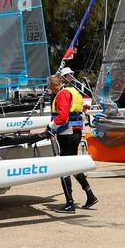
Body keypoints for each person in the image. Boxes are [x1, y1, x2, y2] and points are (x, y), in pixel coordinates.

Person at [47, 74, 97, 213]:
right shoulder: (73, 91)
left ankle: (70, 203)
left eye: (50, 87)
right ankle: (90, 195)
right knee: (73, 166)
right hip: (75, 132)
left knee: (64, 168)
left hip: (67, 133)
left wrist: (50, 127)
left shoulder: (62, 94)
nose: (50, 89)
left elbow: (62, 117)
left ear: (54, 85)